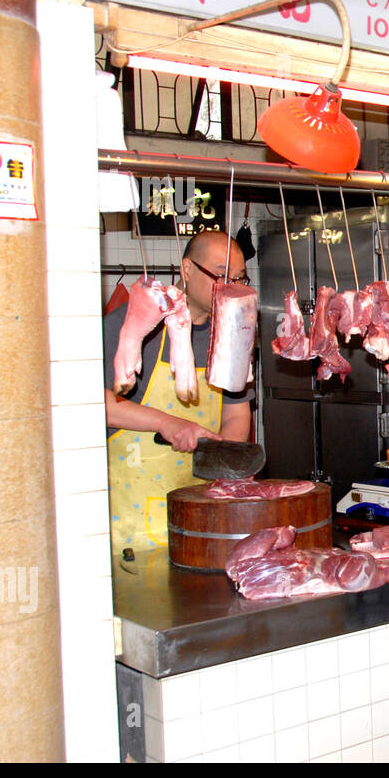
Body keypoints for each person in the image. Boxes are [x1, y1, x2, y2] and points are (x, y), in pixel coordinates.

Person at [104, 230, 254, 556]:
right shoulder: (133, 323)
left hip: (202, 515)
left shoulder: (232, 332)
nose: (231, 285)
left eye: (239, 277)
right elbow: (94, 404)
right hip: (131, 526)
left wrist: (223, 459)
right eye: (220, 274)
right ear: (187, 269)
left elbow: (237, 412)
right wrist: (167, 423)